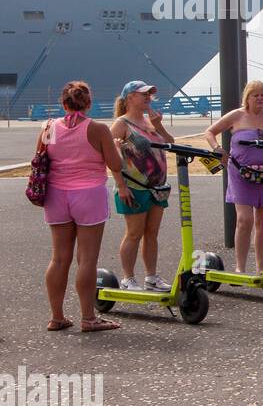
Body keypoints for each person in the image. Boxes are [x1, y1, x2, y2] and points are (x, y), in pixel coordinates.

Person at [40, 81, 132, 332]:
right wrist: (115, 148)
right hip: (88, 195)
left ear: (63, 103)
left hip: (56, 195)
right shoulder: (98, 129)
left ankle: (56, 316)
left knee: (59, 258)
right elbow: (115, 163)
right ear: (89, 103)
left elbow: (42, 158)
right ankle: (88, 318)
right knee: (87, 259)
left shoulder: (49, 127)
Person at [204, 80, 263, 274]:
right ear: (247, 97)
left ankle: (261, 267)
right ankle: (240, 267)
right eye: (256, 95)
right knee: (244, 220)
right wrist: (217, 149)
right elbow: (210, 132)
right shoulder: (237, 116)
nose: (260, 98)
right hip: (240, 173)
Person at [111, 81, 176, 291]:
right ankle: (128, 278)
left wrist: (159, 127)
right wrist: (121, 185)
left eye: (150, 94)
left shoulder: (151, 122)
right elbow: (111, 157)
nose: (148, 97)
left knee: (152, 232)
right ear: (130, 97)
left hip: (157, 187)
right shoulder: (122, 124)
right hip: (134, 186)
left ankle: (152, 277)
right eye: (143, 94)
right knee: (134, 232)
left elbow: (171, 143)